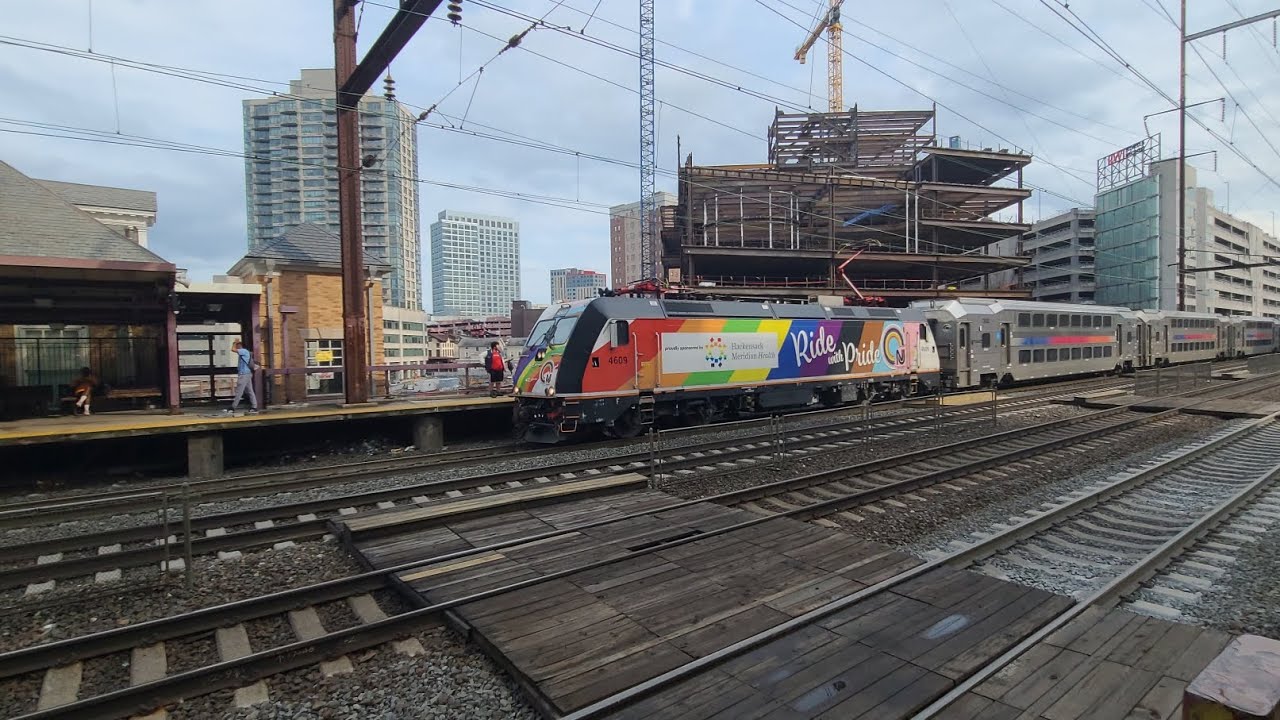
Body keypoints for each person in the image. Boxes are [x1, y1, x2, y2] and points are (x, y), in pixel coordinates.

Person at [226, 339, 260, 414]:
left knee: (239, 391)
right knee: (250, 391)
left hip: (243, 375)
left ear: (240, 346)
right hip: (247, 374)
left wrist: (234, 342)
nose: (236, 347)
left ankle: (232, 408)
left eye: (237, 345)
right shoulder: (245, 352)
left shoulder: (243, 351)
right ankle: (254, 407)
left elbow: (233, 349)